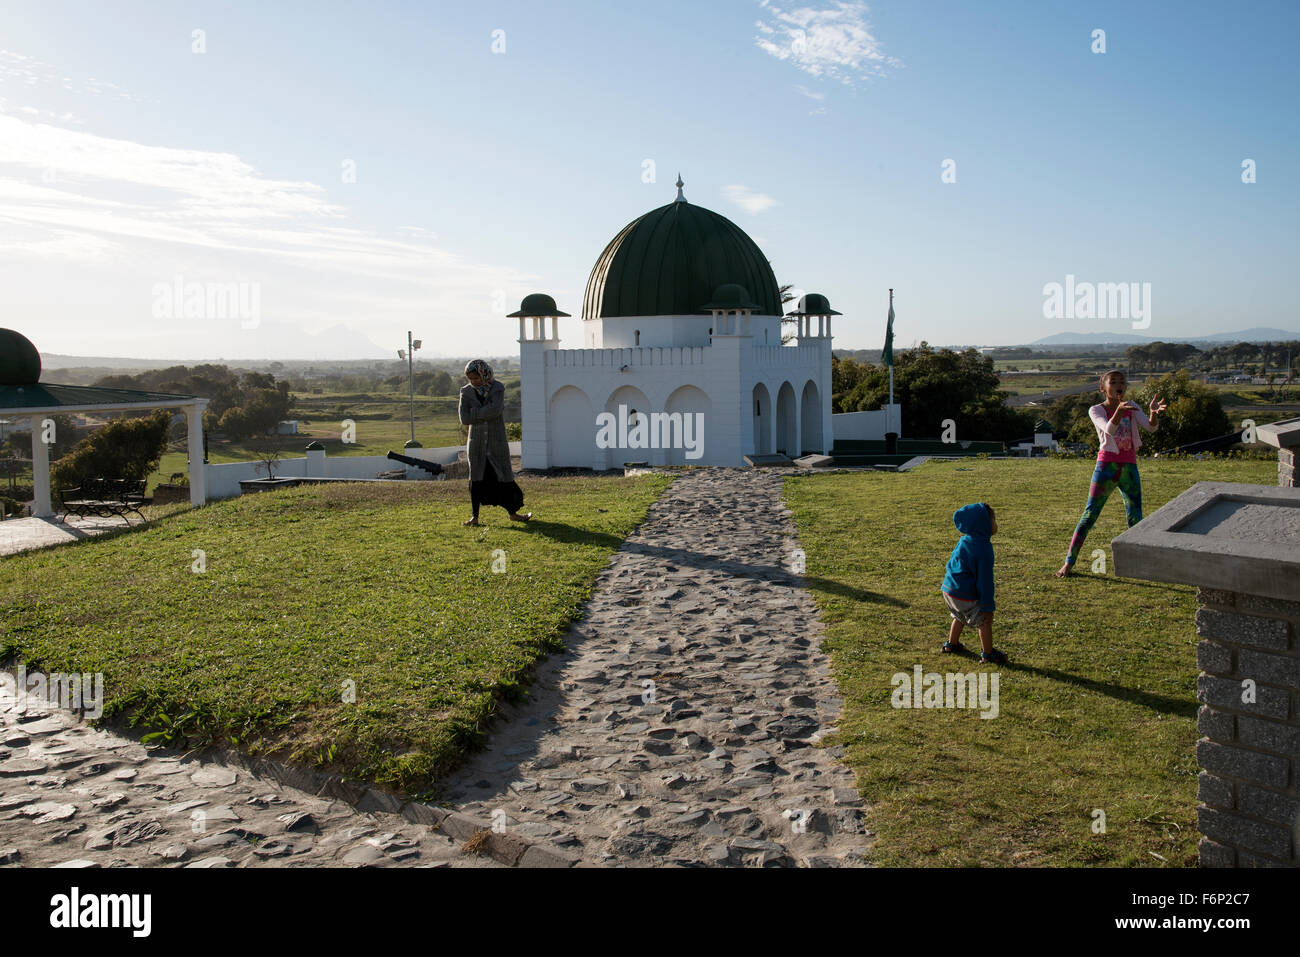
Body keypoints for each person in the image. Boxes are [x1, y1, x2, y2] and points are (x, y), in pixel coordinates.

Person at [1056, 370, 1166, 577]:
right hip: (1106, 467)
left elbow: (1151, 428)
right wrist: (1120, 411)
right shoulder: (1095, 410)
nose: (1119, 385)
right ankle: (1069, 563)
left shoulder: (1132, 407)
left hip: (1129, 467)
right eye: (1113, 382)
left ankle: (1138, 564)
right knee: (1090, 514)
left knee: (1136, 517)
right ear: (1103, 388)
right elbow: (1108, 430)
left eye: (1122, 382)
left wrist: (1152, 413)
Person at [458, 359, 530, 526]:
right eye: (471, 379)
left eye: (476, 378)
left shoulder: (497, 388)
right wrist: (485, 412)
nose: (474, 382)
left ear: (485, 374)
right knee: (476, 480)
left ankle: (513, 513)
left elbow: (496, 410)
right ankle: (474, 517)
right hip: (476, 444)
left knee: (504, 478)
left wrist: (475, 412)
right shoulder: (466, 392)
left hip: (496, 442)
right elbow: (464, 418)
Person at [940, 502, 1007, 664]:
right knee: (984, 621)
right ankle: (988, 654)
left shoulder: (964, 541)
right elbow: (985, 582)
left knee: (959, 615)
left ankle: (952, 644)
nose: (996, 524)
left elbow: (951, 564)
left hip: (948, 590)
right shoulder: (983, 549)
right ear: (983, 525)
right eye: (993, 520)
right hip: (963, 594)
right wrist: (987, 607)